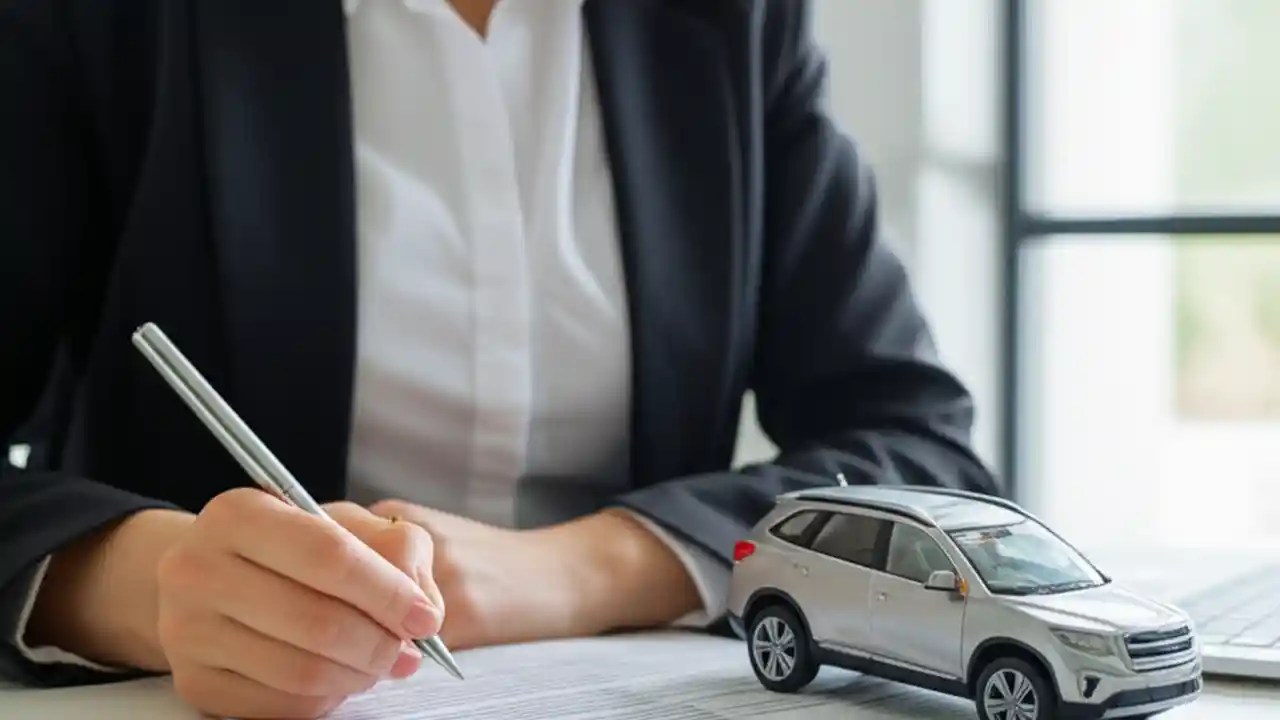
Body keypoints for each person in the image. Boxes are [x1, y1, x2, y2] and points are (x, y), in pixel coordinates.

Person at [0, 0, 999, 717]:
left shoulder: (730, 23)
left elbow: (918, 454)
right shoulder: (104, 23)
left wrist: (577, 571)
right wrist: (143, 584)